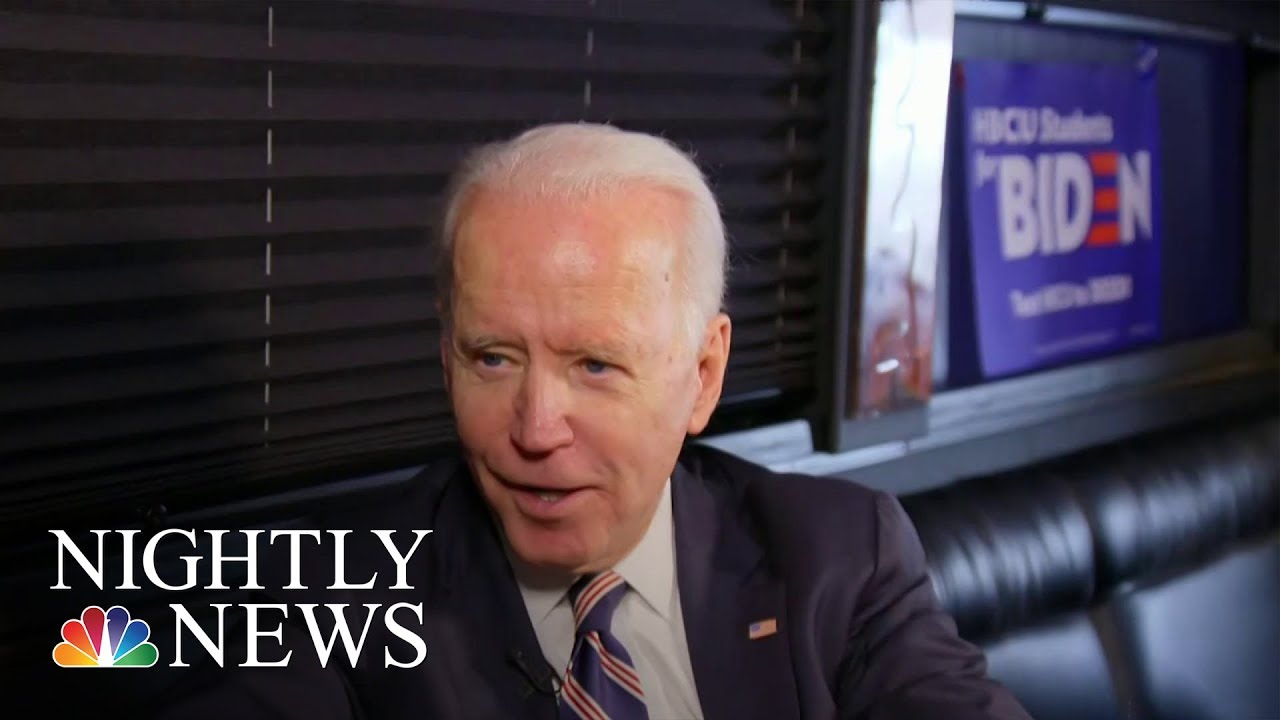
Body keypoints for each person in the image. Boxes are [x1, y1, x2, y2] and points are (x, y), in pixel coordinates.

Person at [157, 123, 1030, 720]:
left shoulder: (838, 558)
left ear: (702, 376)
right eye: (493, 358)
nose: (535, 428)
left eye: (596, 366)